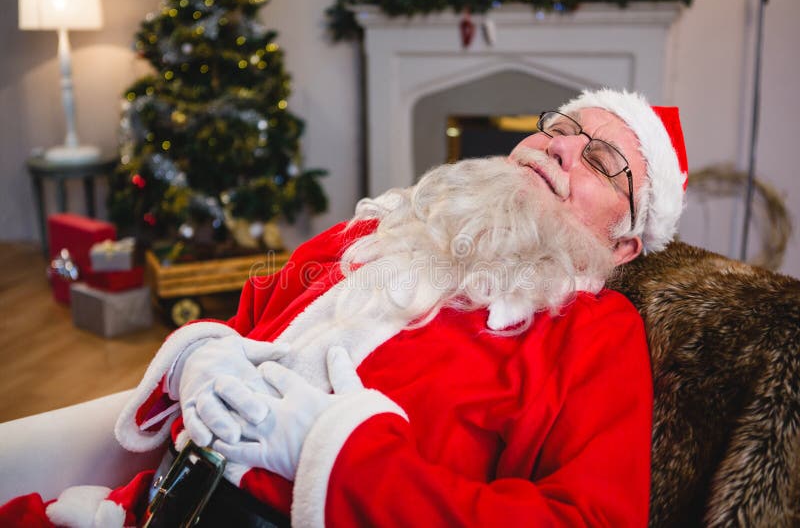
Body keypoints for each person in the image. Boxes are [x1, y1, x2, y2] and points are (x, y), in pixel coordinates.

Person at [0, 88, 688, 527]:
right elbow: (247, 320)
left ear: (624, 245)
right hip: (145, 506)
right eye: (560, 126)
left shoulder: (596, 333)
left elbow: (583, 519)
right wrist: (198, 360)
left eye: (603, 162)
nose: (561, 146)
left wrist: (337, 453)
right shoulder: (380, 228)